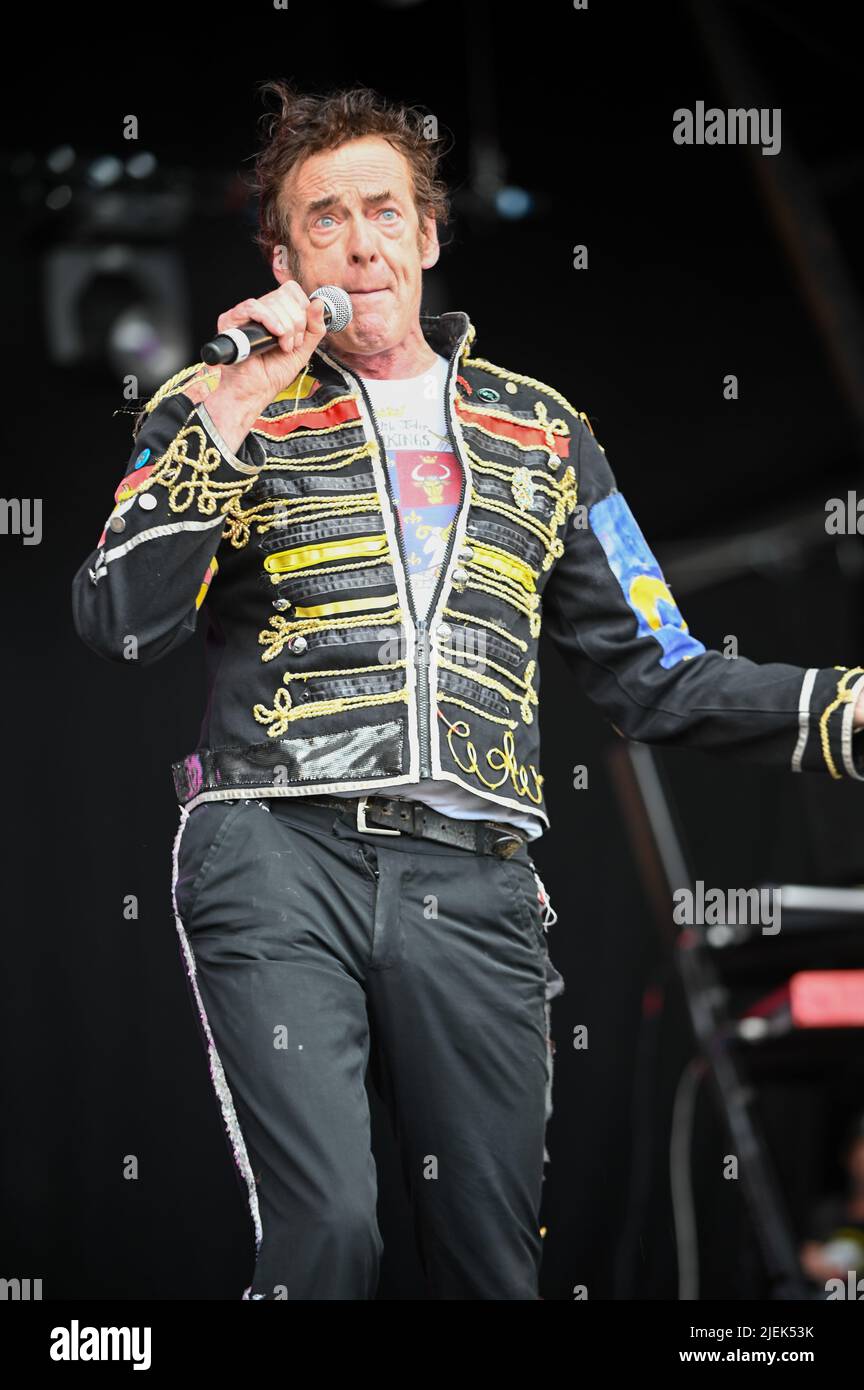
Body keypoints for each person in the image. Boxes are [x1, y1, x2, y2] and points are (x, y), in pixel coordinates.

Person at [71, 82, 864, 1300]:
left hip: (475, 872)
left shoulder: (546, 431)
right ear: (285, 260)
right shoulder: (213, 407)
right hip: (275, 849)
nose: (360, 241)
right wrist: (229, 403)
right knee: (329, 1236)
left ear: (429, 235)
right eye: (323, 221)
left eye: (383, 211)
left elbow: (657, 671)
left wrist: (837, 708)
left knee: (495, 1270)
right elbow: (120, 622)